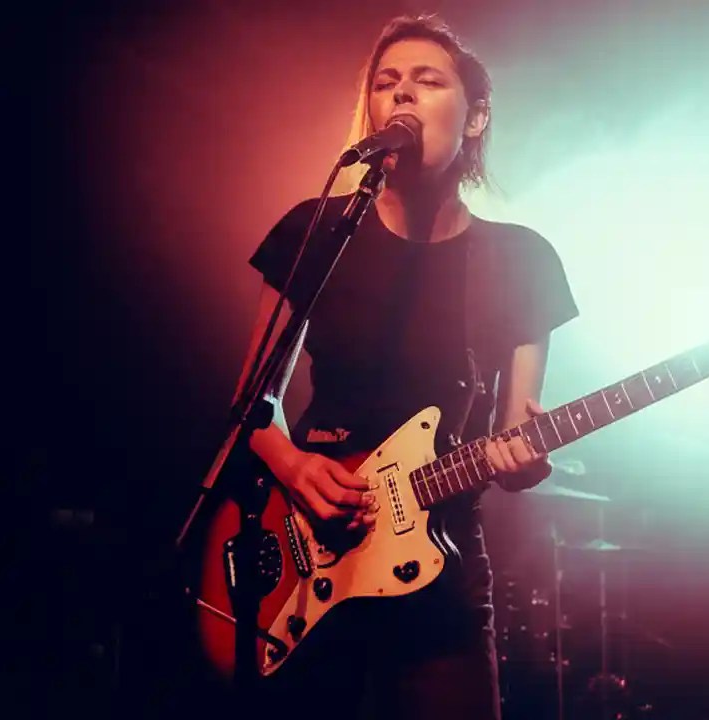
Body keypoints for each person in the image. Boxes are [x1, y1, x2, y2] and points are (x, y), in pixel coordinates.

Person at [230, 14, 578, 719]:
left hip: (439, 578)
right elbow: (249, 404)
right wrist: (296, 469)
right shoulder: (317, 230)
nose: (403, 97)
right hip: (306, 548)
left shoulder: (522, 260)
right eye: (386, 84)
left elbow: (517, 433)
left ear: (475, 116)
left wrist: (525, 460)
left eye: (427, 81)